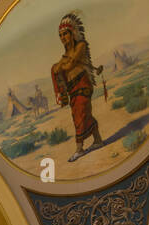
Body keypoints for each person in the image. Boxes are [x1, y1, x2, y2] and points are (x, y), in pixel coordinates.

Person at [50, 12, 106, 162]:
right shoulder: (64, 56)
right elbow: (57, 69)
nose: (63, 38)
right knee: (83, 114)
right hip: (72, 89)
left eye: (65, 34)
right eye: (60, 35)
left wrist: (60, 65)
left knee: (79, 116)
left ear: (72, 33)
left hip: (83, 84)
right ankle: (98, 140)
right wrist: (59, 66)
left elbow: (69, 65)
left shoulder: (81, 46)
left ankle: (79, 149)